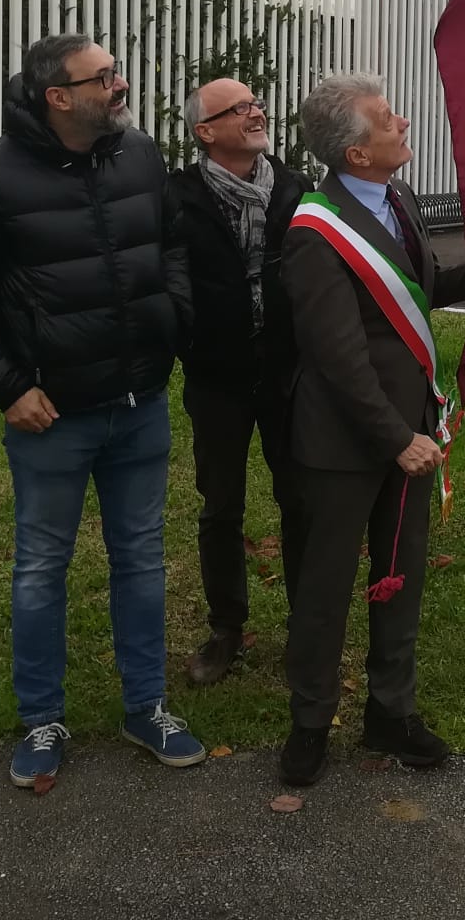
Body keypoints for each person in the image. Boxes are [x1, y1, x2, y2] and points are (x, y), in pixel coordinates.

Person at [0, 33, 204, 789]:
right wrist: (9, 387)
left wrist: (170, 323)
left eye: (115, 72)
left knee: (142, 560)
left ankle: (146, 706)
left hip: (141, 402)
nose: (119, 86)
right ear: (58, 96)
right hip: (53, 417)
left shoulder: (139, 156)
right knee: (42, 567)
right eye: (103, 77)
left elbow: (171, 245)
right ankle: (42, 718)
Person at [277, 74, 465, 787]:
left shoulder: (401, 199)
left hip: (408, 430)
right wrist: (395, 437)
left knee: (399, 576)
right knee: (325, 586)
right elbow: (338, 358)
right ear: (356, 155)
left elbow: (420, 290)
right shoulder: (313, 230)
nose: (404, 122)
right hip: (345, 442)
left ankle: (390, 712)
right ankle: (310, 721)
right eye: (390, 119)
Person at [171, 78, 308, 686]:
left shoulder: (296, 190)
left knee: (299, 500)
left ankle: (308, 626)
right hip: (216, 378)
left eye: (256, 104)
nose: (257, 113)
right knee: (221, 506)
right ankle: (227, 628)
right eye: (241, 109)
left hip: (286, 376)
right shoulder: (177, 197)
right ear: (207, 131)